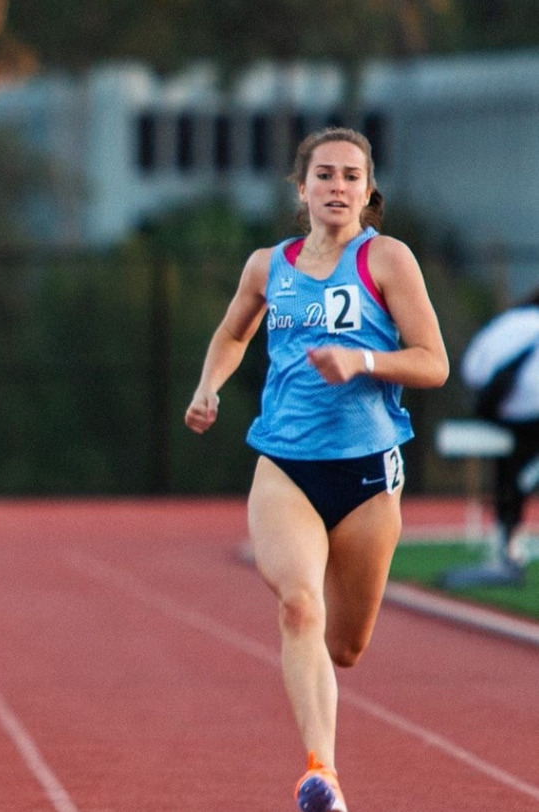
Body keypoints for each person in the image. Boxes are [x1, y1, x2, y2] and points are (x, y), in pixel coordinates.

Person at [184, 127, 448, 812]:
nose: (337, 187)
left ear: (368, 191)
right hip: (286, 467)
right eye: (324, 175)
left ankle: (321, 738)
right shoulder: (267, 266)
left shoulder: (385, 260)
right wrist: (208, 384)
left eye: (351, 177)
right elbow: (234, 332)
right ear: (300, 189)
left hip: (366, 477)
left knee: (346, 645)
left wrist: (363, 360)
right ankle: (320, 775)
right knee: (299, 606)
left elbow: (433, 362)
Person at [460, 286, 539, 573]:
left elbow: (471, 367)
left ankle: (507, 538)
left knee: (508, 474)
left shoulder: (507, 322)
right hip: (527, 416)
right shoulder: (530, 326)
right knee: (517, 476)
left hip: (494, 410)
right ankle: (509, 539)